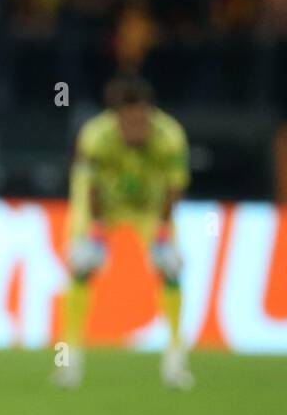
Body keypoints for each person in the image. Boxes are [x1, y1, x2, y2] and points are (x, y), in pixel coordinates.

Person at [57, 74, 192, 389]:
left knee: (170, 265)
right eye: (129, 121)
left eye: (142, 120)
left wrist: (161, 233)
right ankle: (68, 359)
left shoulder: (169, 137)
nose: (137, 128)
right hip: (103, 204)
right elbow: (87, 187)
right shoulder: (95, 137)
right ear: (116, 117)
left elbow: (174, 188)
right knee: (81, 264)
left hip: (150, 206)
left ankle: (175, 359)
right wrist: (96, 231)